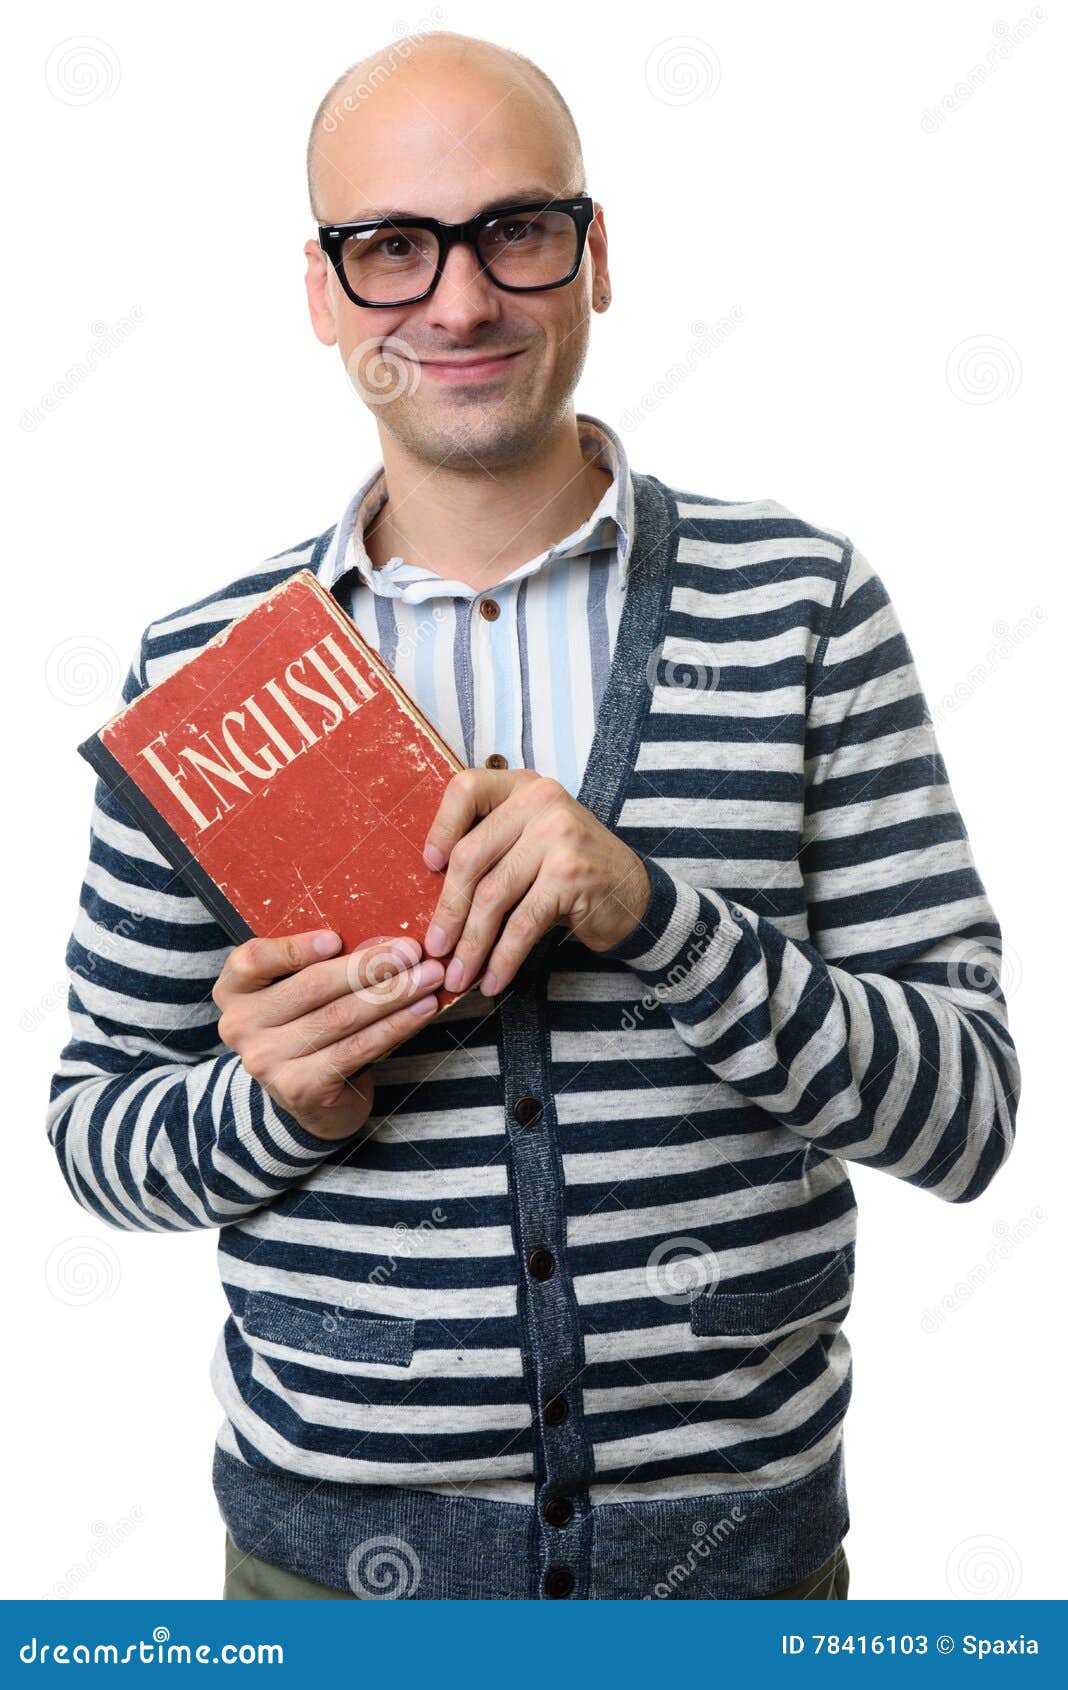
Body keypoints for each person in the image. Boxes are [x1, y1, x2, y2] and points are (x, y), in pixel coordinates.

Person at [46, 30, 1019, 1601]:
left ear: (596, 254)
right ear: (321, 291)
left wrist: (656, 913)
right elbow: (98, 1132)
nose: (457, 301)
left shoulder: (803, 608)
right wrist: (280, 1104)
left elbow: (967, 1112)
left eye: (515, 228)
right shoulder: (211, 677)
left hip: (736, 1582)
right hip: (329, 1588)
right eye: (391, 246)